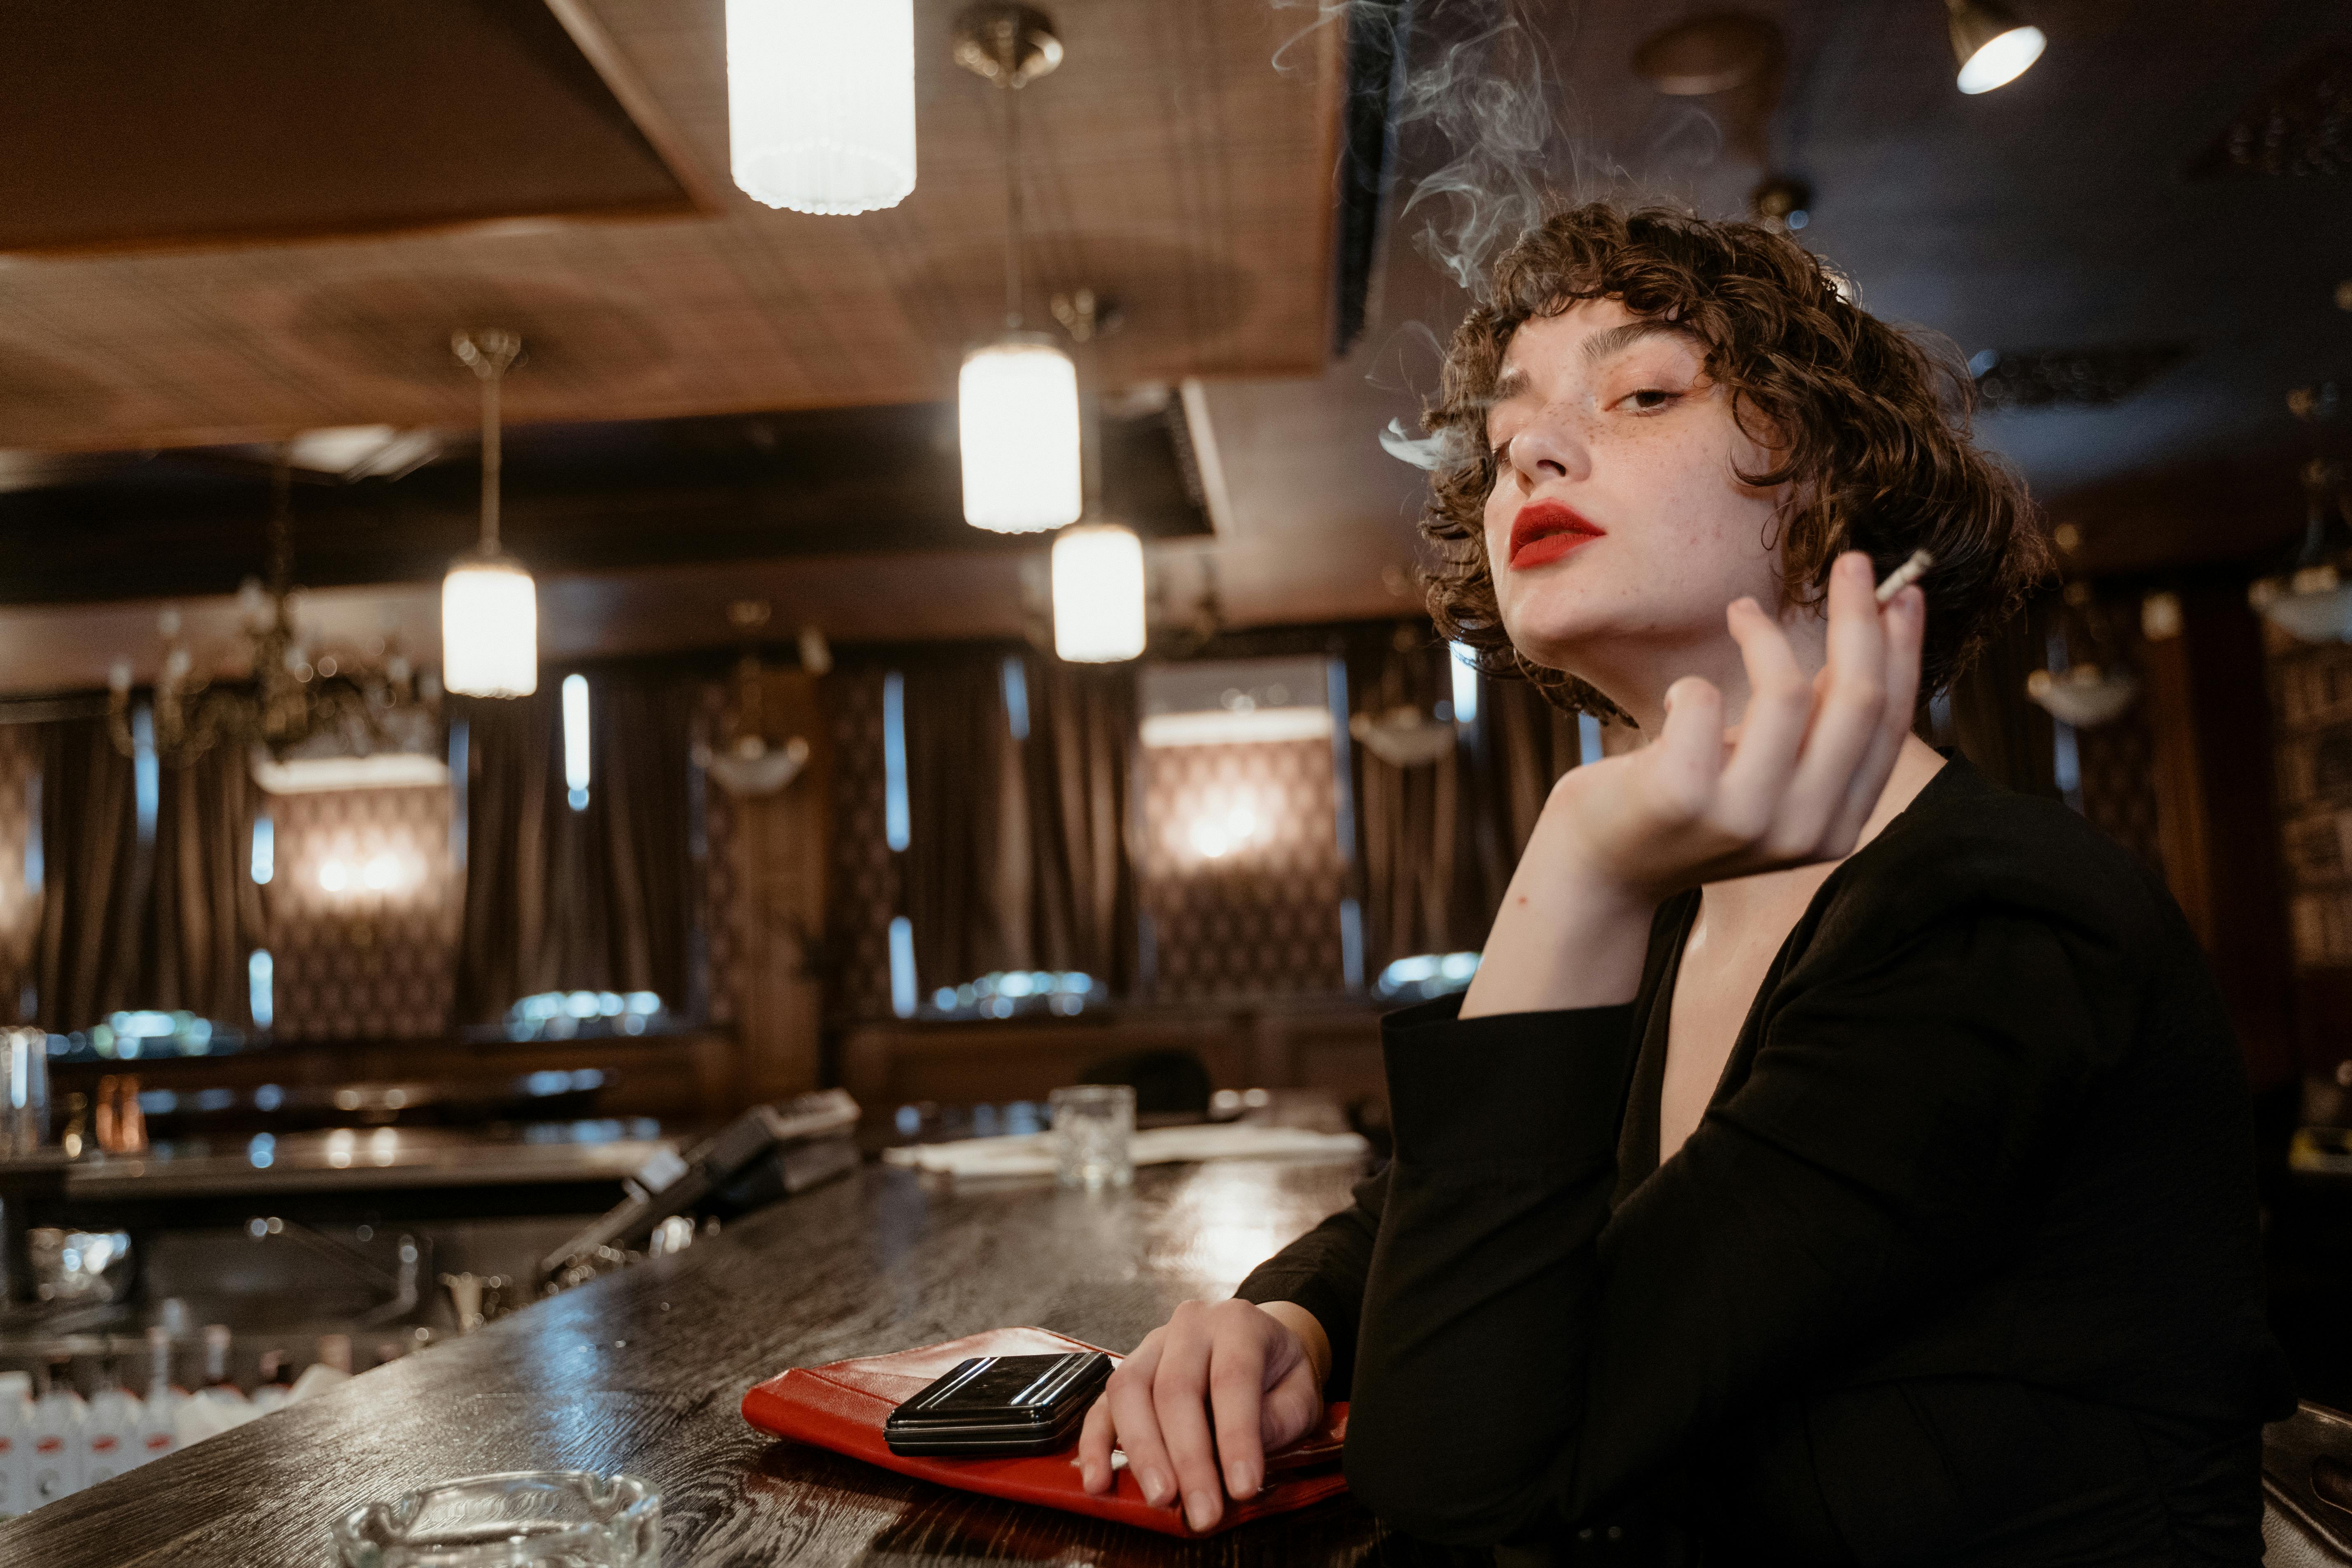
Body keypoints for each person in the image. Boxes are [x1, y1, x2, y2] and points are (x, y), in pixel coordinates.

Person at [1076, 203, 2294, 1563]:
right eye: (1502, 441)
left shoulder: (1994, 927)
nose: (1528, 449)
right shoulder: (1689, 899)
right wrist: (1281, 1321)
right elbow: (1432, 1213)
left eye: (1644, 391)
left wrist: (1580, 862)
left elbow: (1464, 1470)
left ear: (1841, 480)